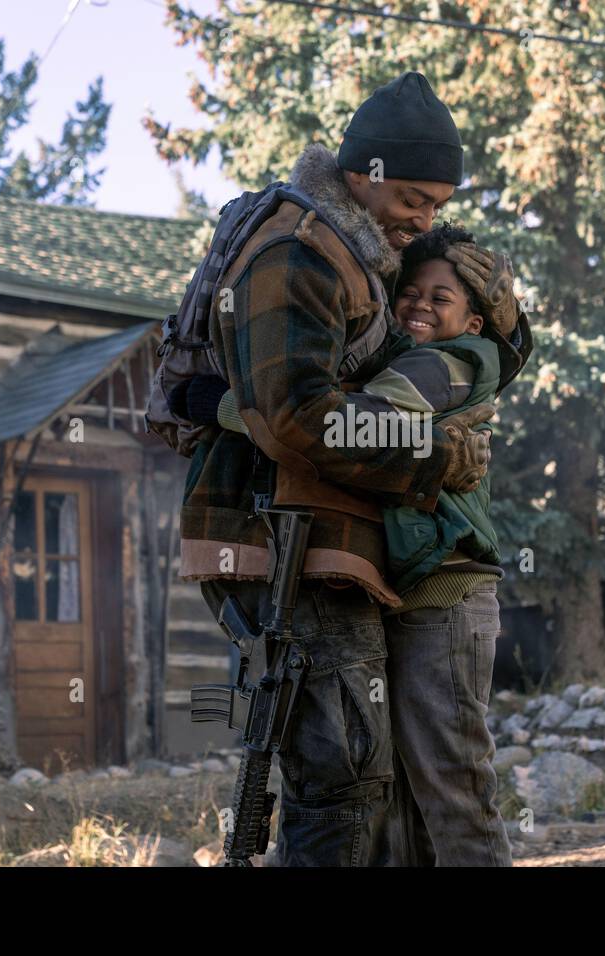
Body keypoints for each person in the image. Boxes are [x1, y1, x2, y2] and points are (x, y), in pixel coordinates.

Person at [180, 71, 531, 866]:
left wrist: (504, 315)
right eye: (413, 197)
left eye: (436, 204)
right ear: (366, 173)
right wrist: (437, 457)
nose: (424, 218)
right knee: (342, 777)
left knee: (369, 779)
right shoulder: (305, 251)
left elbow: (455, 350)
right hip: (287, 540)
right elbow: (300, 418)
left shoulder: (364, 257)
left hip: (339, 548)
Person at [214, 223, 518, 864]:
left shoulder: (447, 365)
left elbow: (335, 420)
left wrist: (232, 404)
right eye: (411, 292)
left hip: (448, 594)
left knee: (452, 784)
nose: (419, 306)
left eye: (442, 299)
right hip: (415, 592)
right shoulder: (417, 355)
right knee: (408, 794)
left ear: (474, 321)